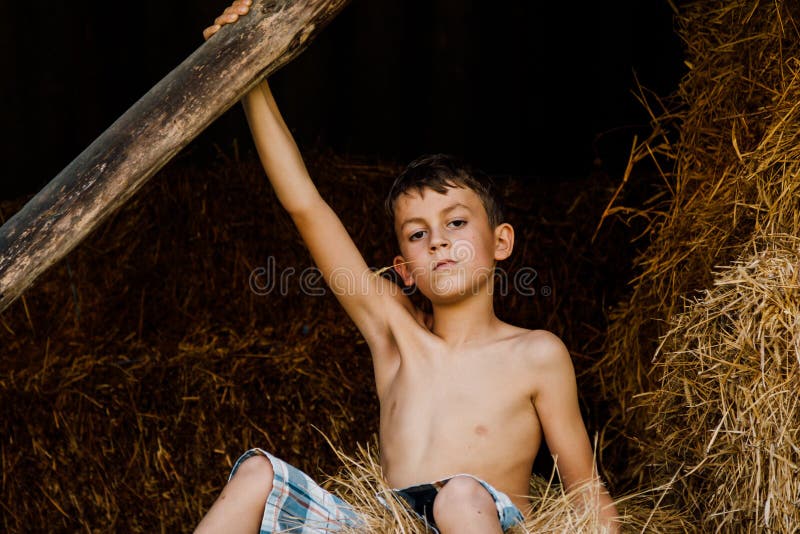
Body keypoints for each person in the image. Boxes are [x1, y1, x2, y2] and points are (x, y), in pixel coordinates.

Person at [195, 1, 619, 532]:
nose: (438, 241)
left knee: (460, 495)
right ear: (404, 268)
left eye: (457, 224)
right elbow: (305, 204)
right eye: (418, 234)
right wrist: (247, 70)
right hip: (382, 525)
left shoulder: (536, 354)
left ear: (502, 242)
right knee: (257, 473)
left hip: (478, 518)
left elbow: (584, 489)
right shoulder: (394, 339)